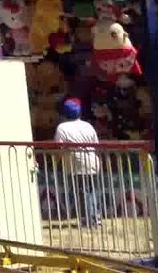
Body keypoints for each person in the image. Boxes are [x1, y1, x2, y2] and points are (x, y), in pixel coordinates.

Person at [54, 97, 101, 227]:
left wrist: (57, 162)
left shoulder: (62, 128)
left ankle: (88, 220)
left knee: (81, 192)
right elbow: (96, 144)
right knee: (92, 190)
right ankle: (96, 217)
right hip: (92, 161)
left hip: (76, 164)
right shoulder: (88, 125)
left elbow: (59, 146)